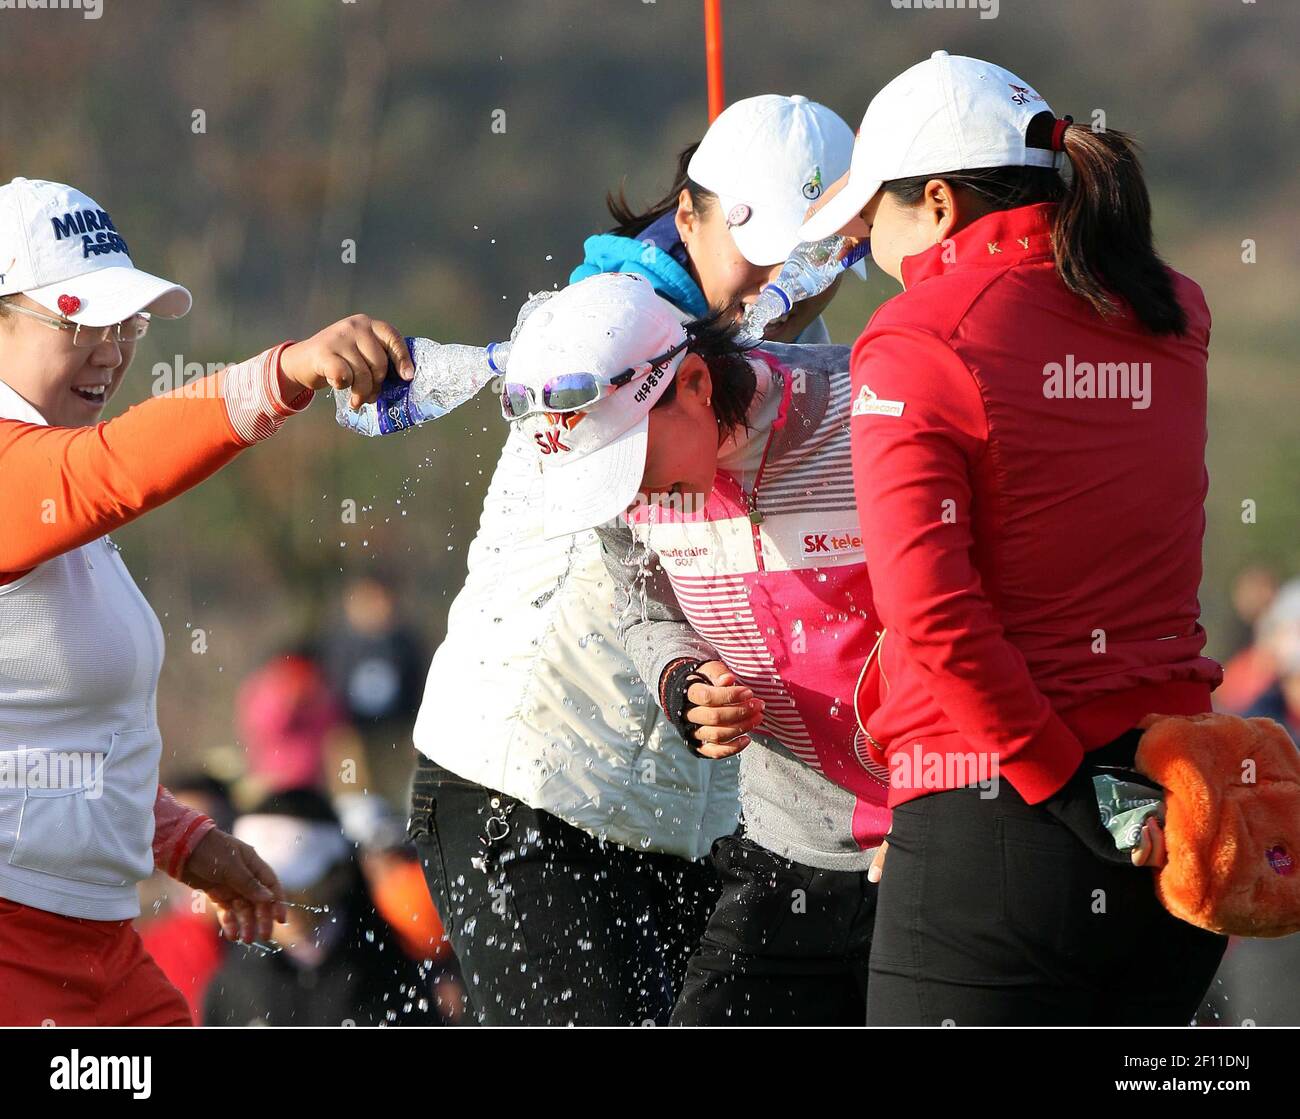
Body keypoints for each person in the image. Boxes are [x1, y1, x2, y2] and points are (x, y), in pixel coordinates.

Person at [408, 94, 865, 1024]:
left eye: (813, 252)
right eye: (759, 245)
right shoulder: (612, 334)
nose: (784, 277)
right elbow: (630, 564)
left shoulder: (784, 357)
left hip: (680, 819)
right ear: (686, 216)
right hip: (529, 788)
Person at [799, 51, 1228, 1024]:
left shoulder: (917, 335)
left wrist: (1065, 786)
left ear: (940, 203)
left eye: (874, 224)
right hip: (1175, 823)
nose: (869, 252)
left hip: (1000, 822)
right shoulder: (1174, 312)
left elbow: (934, 618)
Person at [0, 176, 412, 1026]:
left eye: (127, 325)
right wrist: (290, 370)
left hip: (99, 946)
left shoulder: (51, 484)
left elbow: (62, 741)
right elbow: (115, 471)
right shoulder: (46, 477)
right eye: (81, 323)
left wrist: (188, 841)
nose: (112, 350)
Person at [502, 271, 890, 1025]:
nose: (629, 501)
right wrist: (685, 680)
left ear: (695, 382)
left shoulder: (866, 406)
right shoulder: (624, 487)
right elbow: (646, 611)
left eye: (632, 468)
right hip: (789, 847)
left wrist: (947, 817)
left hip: (939, 835)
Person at [203, 790, 443, 1026]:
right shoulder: (232, 988)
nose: (277, 899)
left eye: (296, 882)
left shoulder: (395, 974)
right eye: (257, 887)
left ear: (339, 874)